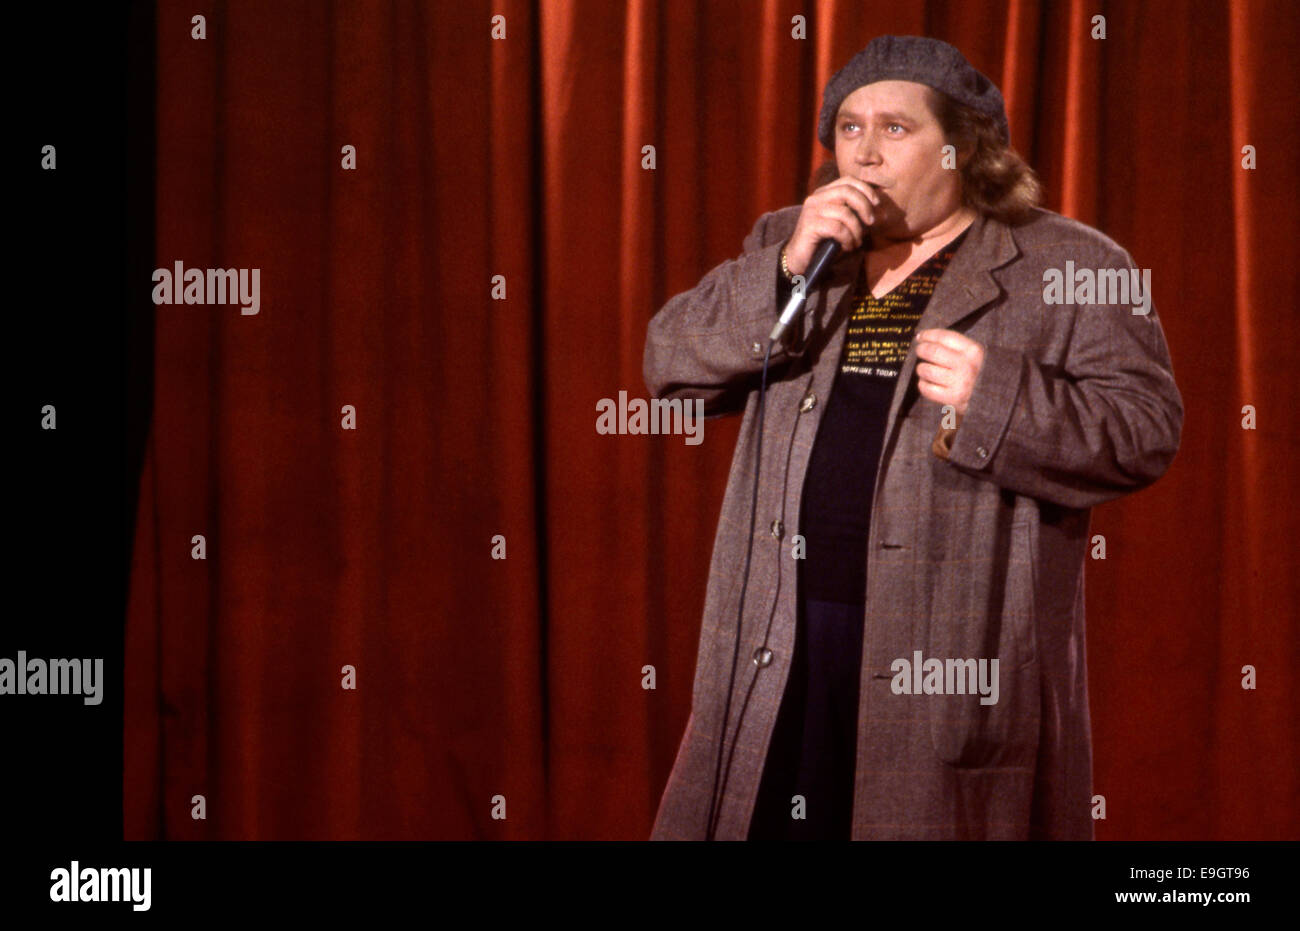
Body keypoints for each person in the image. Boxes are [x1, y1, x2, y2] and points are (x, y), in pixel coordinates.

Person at [644, 35, 1183, 840]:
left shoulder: (1065, 261)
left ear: (963, 149)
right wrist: (788, 269)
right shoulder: (800, 245)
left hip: (941, 645)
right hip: (781, 629)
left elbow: (1145, 430)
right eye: (850, 129)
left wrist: (995, 395)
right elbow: (669, 362)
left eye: (895, 129)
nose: (863, 152)